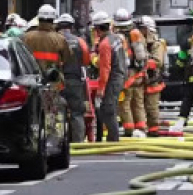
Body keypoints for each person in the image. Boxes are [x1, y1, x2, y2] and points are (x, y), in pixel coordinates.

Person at [91, 11, 127, 142]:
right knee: (110, 108)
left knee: (108, 110)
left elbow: (105, 68)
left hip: (113, 78)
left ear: (98, 29)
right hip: (121, 76)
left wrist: (101, 88)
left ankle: (113, 140)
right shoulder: (116, 38)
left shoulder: (105, 44)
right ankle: (113, 138)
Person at [55, 13, 91, 143]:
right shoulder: (80, 41)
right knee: (77, 113)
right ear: (71, 26)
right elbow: (87, 61)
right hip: (75, 81)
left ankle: (57, 142)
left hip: (57, 82)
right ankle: (78, 143)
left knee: (56, 114)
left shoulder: (55, 40)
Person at [113, 9, 148, 137]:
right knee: (138, 102)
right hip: (138, 74)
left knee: (125, 102)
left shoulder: (117, 37)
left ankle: (129, 130)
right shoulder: (136, 34)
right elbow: (142, 56)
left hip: (127, 74)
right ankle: (141, 128)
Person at [22, 5, 72, 75]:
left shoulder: (26, 37)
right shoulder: (60, 39)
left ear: (38, 19)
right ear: (53, 20)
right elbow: (66, 58)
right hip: (53, 79)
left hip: (32, 79)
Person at [138, 16, 166, 137]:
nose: (139, 31)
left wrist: (144, 62)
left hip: (152, 81)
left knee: (151, 107)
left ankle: (153, 129)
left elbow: (158, 61)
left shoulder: (156, 44)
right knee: (139, 106)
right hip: (140, 81)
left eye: (142, 28)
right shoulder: (138, 43)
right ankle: (140, 128)